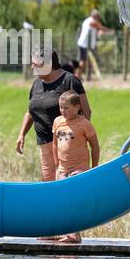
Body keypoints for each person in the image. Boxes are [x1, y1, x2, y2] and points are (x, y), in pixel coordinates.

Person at [15, 45, 92, 182]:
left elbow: (86, 112)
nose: (32, 67)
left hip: (68, 146)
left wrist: (78, 139)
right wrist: (22, 134)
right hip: (44, 146)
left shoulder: (69, 81)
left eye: (35, 64)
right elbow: (31, 111)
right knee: (49, 185)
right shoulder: (37, 84)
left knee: (68, 186)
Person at [51, 90, 100, 244]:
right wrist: (56, 164)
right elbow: (55, 144)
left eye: (66, 108)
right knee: (62, 201)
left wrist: (94, 167)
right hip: (62, 169)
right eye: (60, 107)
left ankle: (75, 234)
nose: (62, 111)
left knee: (73, 199)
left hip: (79, 168)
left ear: (78, 107)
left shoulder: (84, 124)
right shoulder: (58, 121)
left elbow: (95, 146)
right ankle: (64, 232)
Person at [76, 8, 113, 80]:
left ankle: (87, 76)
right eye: (98, 16)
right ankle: (78, 76)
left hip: (87, 44)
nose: (99, 18)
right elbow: (100, 27)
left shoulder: (87, 20)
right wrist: (111, 31)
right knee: (82, 61)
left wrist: (99, 32)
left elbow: (97, 30)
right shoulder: (92, 22)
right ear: (95, 16)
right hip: (85, 44)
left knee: (89, 61)